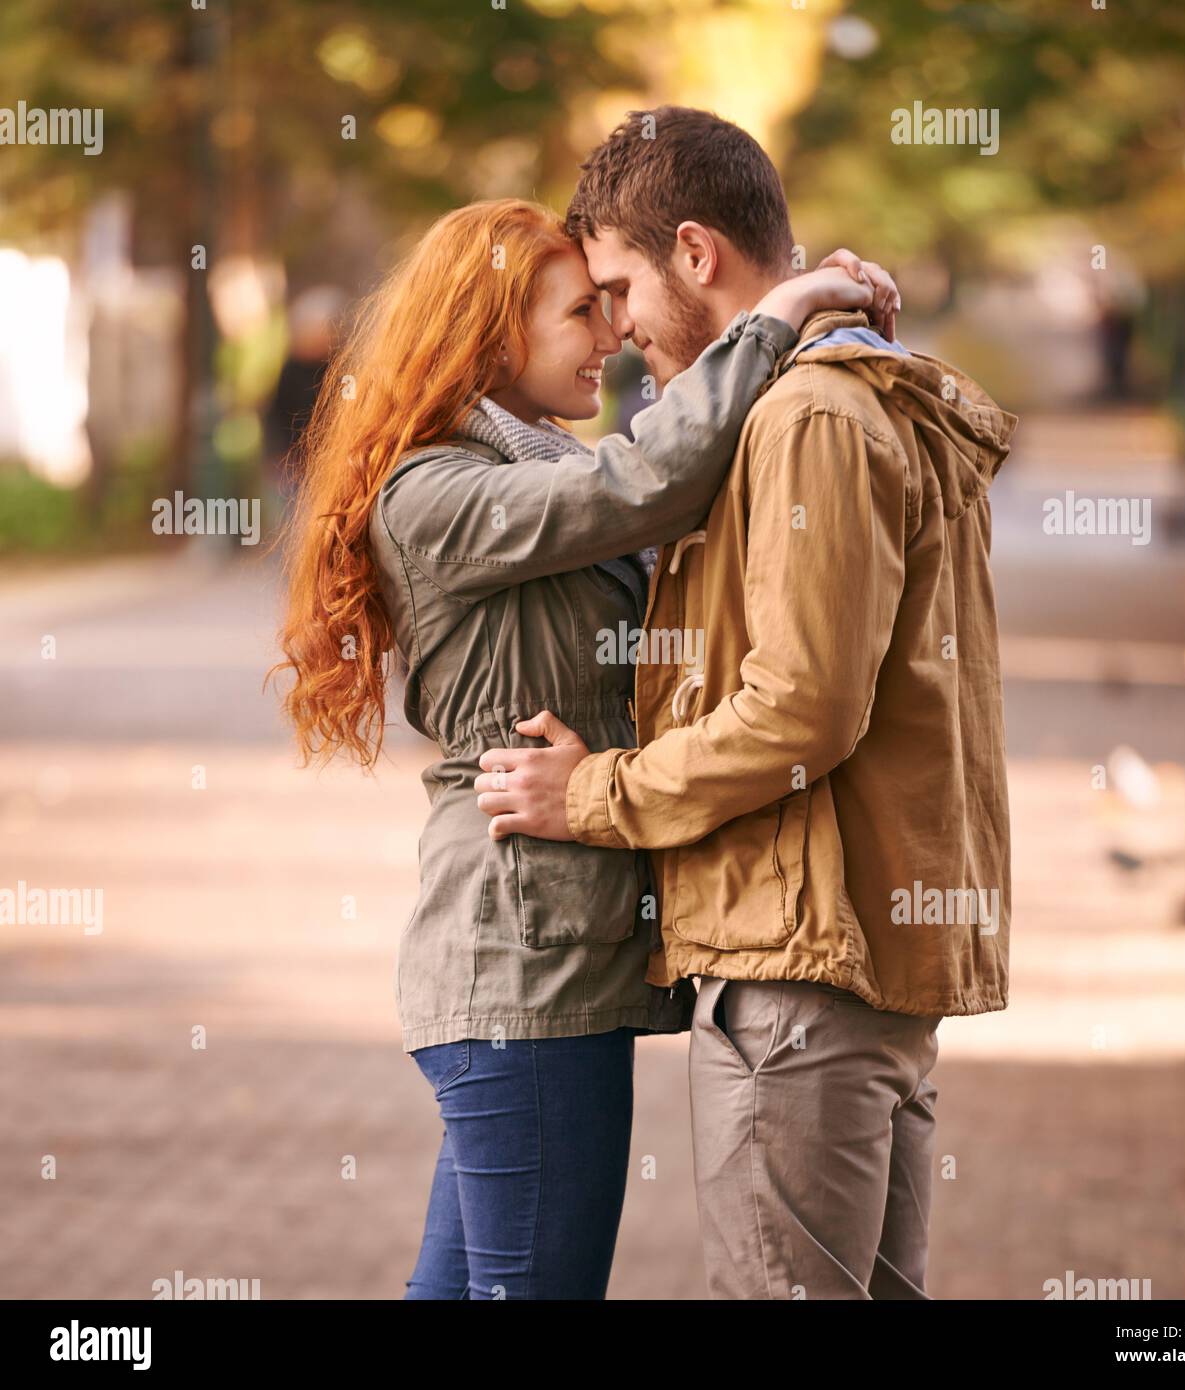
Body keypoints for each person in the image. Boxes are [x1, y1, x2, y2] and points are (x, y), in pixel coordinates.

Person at [268, 194, 895, 1299]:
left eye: (612, 308)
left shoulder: (526, 467)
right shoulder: (436, 490)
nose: (609, 337)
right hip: (522, 958)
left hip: (545, 958)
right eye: (579, 313)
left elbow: (653, 490)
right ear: (489, 330)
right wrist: (776, 314)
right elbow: (639, 482)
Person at [473, 106, 1019, 1300]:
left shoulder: (809, 417)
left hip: (798, 969)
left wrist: (595, 794)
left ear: (695, 252)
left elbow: (799, 710)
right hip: (853, 961)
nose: (612, 330)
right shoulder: (852, 394)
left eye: (617, 286)